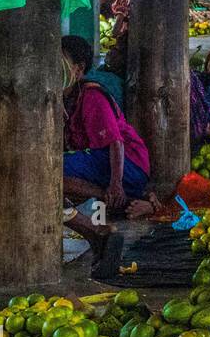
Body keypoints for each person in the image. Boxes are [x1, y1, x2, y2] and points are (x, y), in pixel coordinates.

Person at [61, 36, 154, 218]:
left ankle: (119, 198)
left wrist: (115, 185)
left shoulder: (92, 96)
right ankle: (118, 202)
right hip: (101, 162)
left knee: (52, 171)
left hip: (128, 164)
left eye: (62, 63)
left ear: (79, 69)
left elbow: (115, 143)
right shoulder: (64, 97)